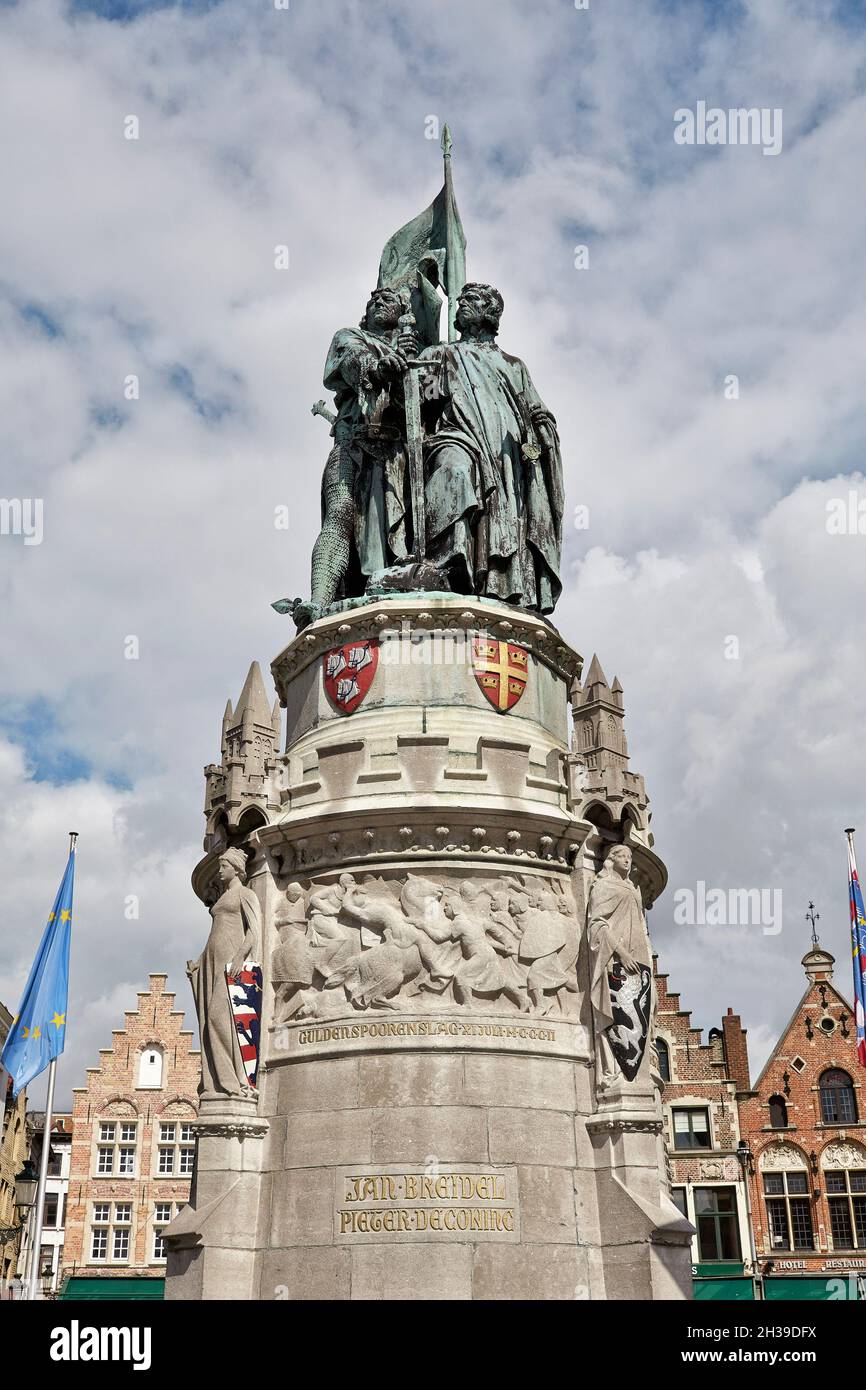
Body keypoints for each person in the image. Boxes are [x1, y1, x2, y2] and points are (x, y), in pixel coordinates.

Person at [418, 283, 563, 613]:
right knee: (452, 472)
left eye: (471, 301)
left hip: (504, 454)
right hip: (456, 436)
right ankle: (446, 564)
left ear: (490, 312)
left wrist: (542, 427)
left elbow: (538, 414)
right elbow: (413, 404)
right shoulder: (440, 354)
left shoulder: (514, 365)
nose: (461, 305)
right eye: (462, 300)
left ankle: (497, 581)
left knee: (502, 515)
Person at [187, 848, 261, 1099]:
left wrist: (240, 956)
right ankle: (216, 1082)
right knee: (209, 1020)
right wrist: (199, 962)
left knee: (222, 1018)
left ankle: (238, 1081)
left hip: (231, 961)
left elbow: (254, 930)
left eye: (223, 866)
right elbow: (214, 934)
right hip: (212, 961)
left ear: (237, 868)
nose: (219, 870)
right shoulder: (224, 897)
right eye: (219, 866)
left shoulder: (245, 894)